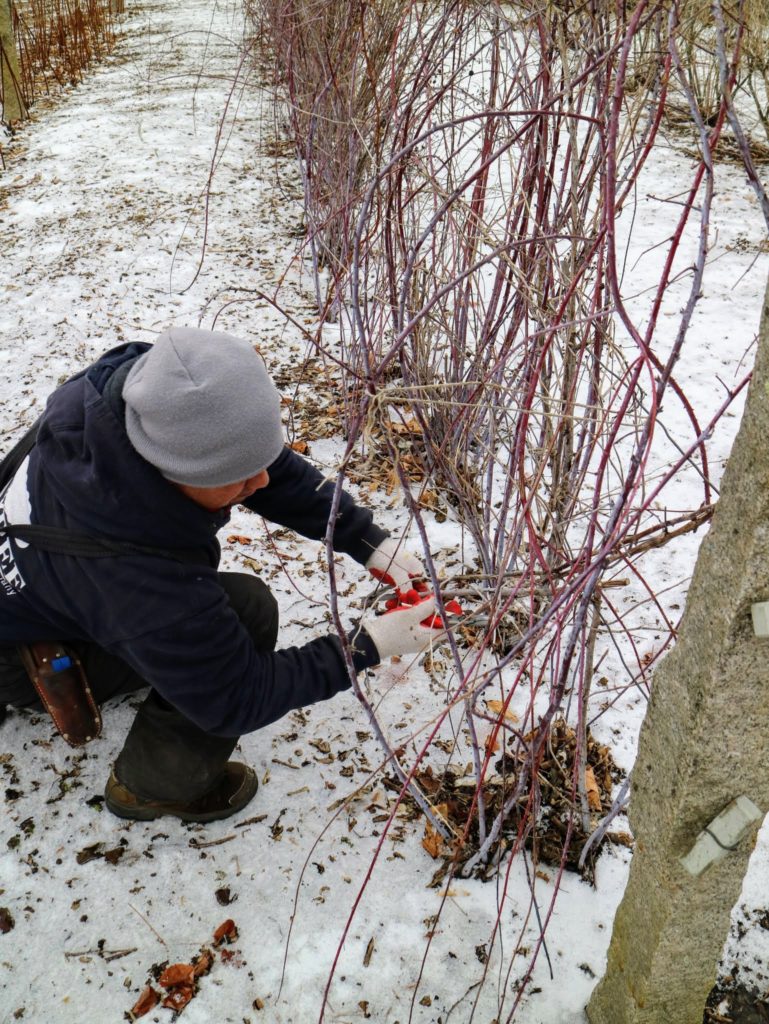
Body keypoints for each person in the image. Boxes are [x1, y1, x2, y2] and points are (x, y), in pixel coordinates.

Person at [0, 327, 445, 822]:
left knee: (199, 618)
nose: (262, 481)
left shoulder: (123, 407)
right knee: (248, 613)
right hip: (20, 661)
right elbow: (235, 698)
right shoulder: (135, 579)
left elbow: (256, 463)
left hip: (46, 592)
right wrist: (368, 646)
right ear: (173, 470)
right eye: (238, 476)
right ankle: (153, 787)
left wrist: (366, 540)